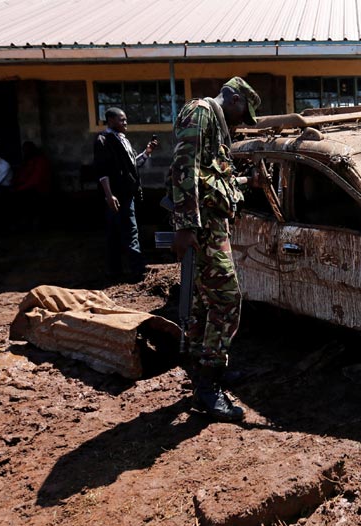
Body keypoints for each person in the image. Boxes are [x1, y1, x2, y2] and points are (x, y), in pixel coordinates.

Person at [169, 76, 262, 422]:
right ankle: (208, 387)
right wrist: (185, 226)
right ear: (234, 98)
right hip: (201, 227)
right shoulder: (201, 112)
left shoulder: (216, 126)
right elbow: (184, 166)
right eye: (244, 113)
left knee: (203, 303)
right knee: (226, 300)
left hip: (211, 225)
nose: (242, 122)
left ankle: (204, 373)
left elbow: (213, 177)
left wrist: (247, 181)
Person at [93, 107, 158, 280]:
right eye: (121, 119)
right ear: (111, 120)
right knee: (131, 231)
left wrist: (147, 152)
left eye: (125, 119)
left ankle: (114, 271)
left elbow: (133, 166)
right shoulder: (103, 140)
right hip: (117, 194)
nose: (125, 122)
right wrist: (109, 195)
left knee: (115, 232)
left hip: (127, 193)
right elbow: (102, 171)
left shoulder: (123, 140)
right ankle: (138, 270)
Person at [11, 141, 52, 231]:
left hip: (39, 189)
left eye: (27, 150)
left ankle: (27, 223)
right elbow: (21, 176)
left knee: (23, 198)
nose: (25, 152)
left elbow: (35, 180)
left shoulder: (40, 161)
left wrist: (20, 188)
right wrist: (16, 184)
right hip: (28, 188)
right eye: (24, 150)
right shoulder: (27, 162)